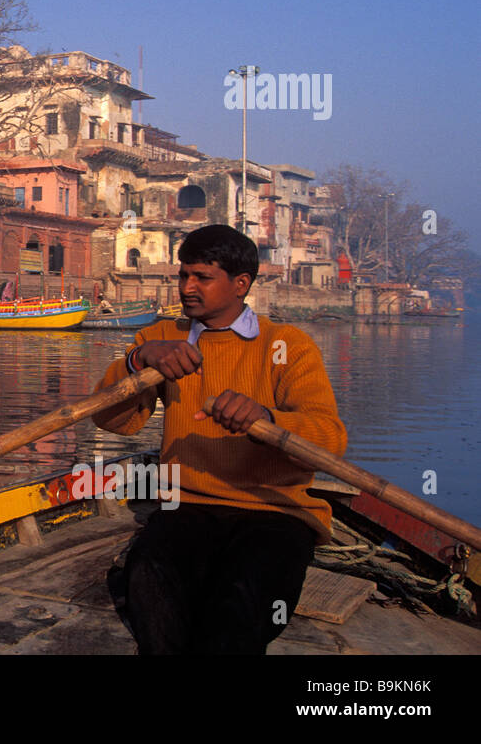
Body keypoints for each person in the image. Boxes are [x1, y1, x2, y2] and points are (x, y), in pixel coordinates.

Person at [90, 224, 347, 655]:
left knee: (240, 606)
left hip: (274, 511)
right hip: (184, 505)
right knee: (149, 582)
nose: (188, 288)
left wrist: (266, 419)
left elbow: (329, 440)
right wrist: (136, 362)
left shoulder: (287, 345)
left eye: (202, 278)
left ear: (241, 284)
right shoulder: (159, 339)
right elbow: (112, 420)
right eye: (183, 275)